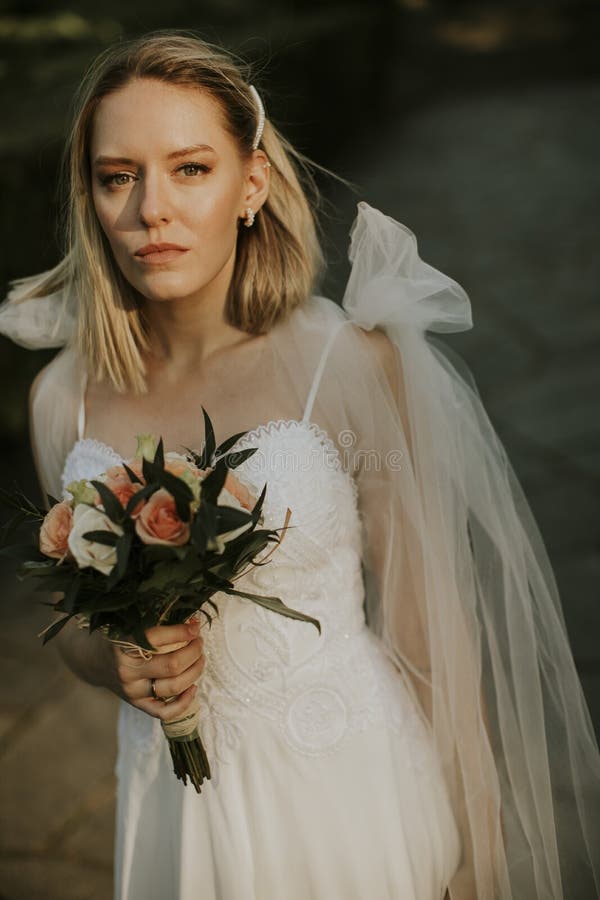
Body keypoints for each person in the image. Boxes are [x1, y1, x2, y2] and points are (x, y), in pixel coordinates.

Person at [0, 29, 598, 900]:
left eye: (190, 168)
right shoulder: (64, 399)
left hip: (346, 788)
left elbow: (433, 631)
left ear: (252, 185)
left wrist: (477, 852)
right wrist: (119, 662)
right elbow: (83, 634)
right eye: (117, 176)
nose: (150, 210)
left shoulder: (347, 361)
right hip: (177, 805)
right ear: (89, 198)